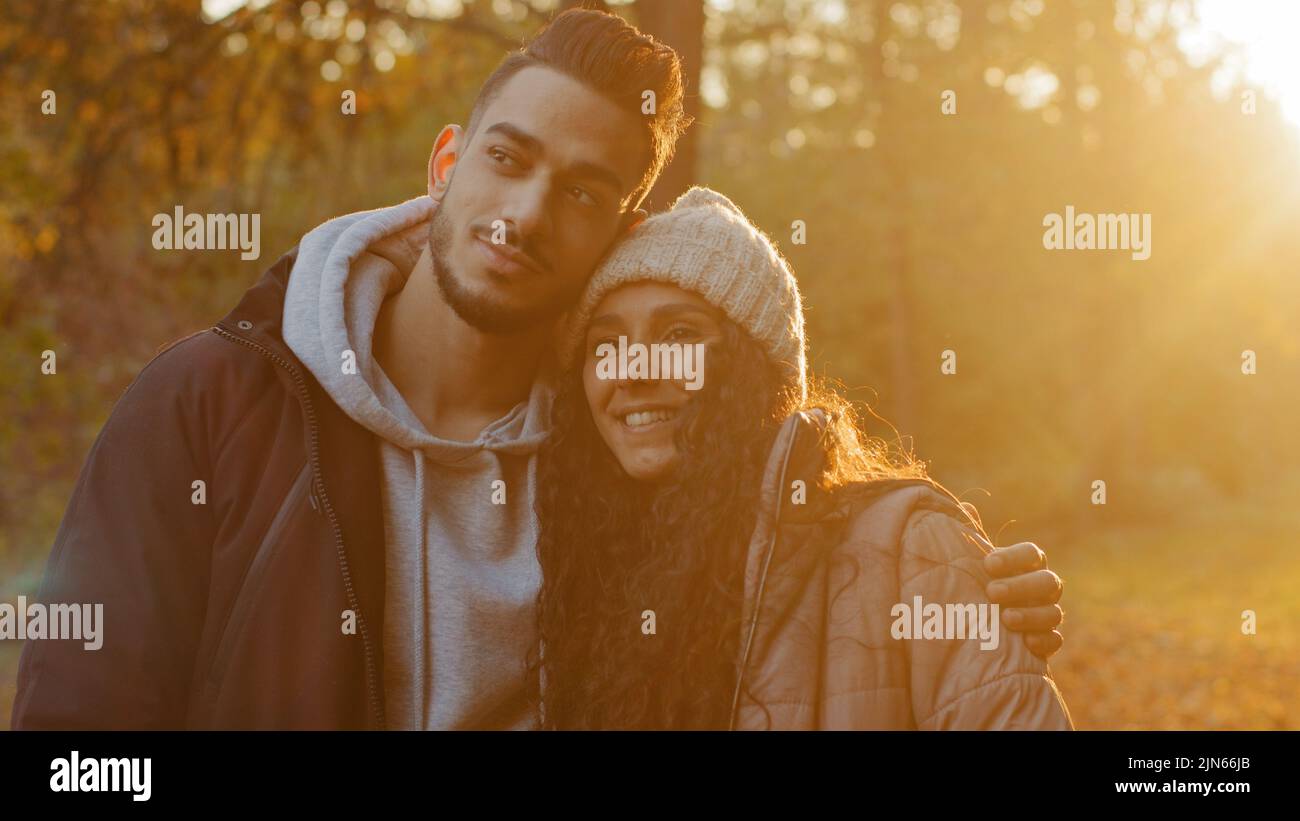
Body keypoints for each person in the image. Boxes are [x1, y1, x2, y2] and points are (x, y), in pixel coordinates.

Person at [12, 9, 1064, 730]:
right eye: (508, 159)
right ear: (446, 161)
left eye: (581, 191)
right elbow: (81, 740)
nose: (521, 216)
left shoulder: (619, 455)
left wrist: (965, 599)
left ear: (617, 229)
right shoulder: (214, 402)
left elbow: (784, 593)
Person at [533, 186, 1073, 730]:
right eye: (606, 345)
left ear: (755, 371)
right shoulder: (577, 572)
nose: (633, 370)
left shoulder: (913, 553)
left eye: (679, 335)